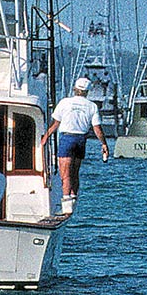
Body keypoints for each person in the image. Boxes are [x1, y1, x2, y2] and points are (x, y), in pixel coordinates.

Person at [42, 76, 109, 211]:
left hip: (67, 138)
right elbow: (97, 128)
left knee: (65, 175)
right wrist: (104, 144)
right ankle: (73, 198)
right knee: (74, 173)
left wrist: (45, 138)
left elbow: (55, 123)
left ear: (74, 89)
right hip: (81, 141)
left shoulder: (64, 102)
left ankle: (67, 204)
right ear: (87, 91)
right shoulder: (92, 106)